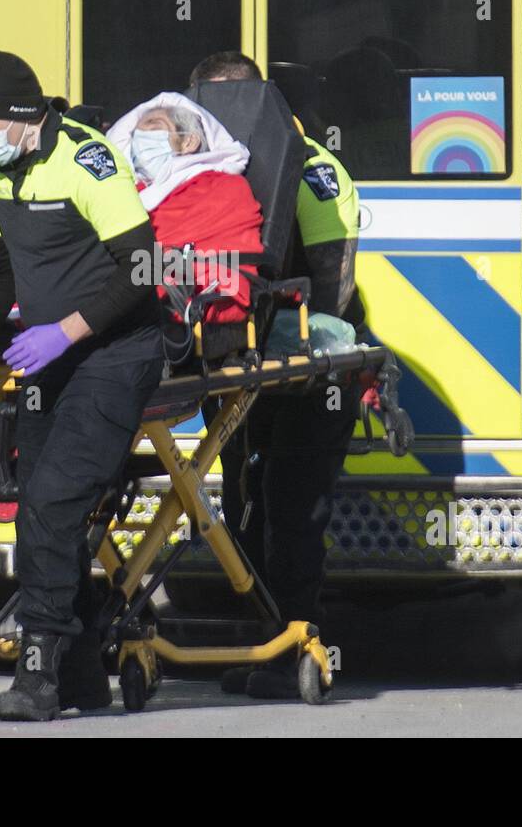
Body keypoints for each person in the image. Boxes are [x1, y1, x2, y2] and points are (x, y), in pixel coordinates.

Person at [0, 50, 164, 722]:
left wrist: (68, 330)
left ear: (20, 118)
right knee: (36, 499)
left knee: (55, 500)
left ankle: (38, 672)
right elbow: (0, 267)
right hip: (50, 361)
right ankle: (82, 674)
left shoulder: (86, 161)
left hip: (116, 352)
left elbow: (142, 263)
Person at [188, 51, 365, 699]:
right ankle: (263, 645)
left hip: (311, 363)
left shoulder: (313, 168)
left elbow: (333, 286)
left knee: (292, 508)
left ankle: (295, 646)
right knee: (242, 502)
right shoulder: (198, 172)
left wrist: (299, 347)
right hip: (233, 360)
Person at [107, 95, 263, 328]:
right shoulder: (128, 192)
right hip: (135, 290)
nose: (139, 140)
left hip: (190, 300)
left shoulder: (222, 187)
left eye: (153, 126)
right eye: (135, 134)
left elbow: (223, 267)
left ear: (189, 142)